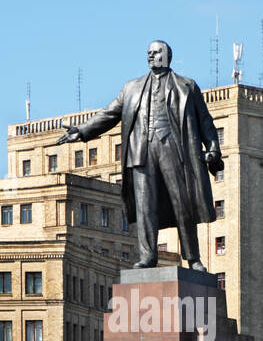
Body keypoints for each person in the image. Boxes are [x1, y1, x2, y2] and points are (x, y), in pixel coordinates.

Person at [56, 40, 223, 271]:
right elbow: (108, 114)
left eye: (155, 53)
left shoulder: (187, 86)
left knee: (182, 204)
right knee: (145, 206)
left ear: (166, 56)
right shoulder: (131, 88)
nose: (150, 56)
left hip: (174, 149)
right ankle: (148, 257)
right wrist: (82, 131)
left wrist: (213, 147)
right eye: (148, 53)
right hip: (141, 152)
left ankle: (193, 258)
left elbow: (205, 120)